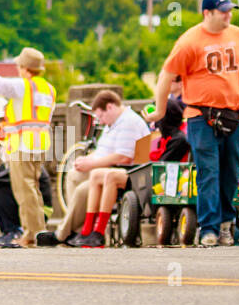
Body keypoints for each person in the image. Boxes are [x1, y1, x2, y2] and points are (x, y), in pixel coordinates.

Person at [155, 0, 239, 247]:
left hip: (233, 114)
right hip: (201, 115)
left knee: (232, 170)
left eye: (229, 10)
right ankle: (209, 227)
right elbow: (166, 76)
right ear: (207, 13)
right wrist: (159, 110)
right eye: (222, 11)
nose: (228, 15)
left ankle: (225, 223)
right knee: (208, 171)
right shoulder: (190, 41)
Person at [36, 90, 152, 247]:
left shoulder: (129, 122)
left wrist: (91, 164)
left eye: (101, 116)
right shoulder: (113, 123)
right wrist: (86, 160)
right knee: (73, 175)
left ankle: (64, 233)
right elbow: (103, 150)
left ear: (110, 107)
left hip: (128, 171)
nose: (101, 121)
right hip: (109, 168)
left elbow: (123, 157)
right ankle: (79, 229)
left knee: (82, 190)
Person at [0, 46, 56, 248]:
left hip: (22, 144)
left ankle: (30, 235)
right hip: (40, 144)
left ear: (24, 68)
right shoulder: (48, 88)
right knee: (33, 191)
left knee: (24, 192)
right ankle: (38, 232)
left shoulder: (23, 86)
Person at [0, 165, 54, 247]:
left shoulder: (24, 165)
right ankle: (8, 231)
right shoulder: (6, 165)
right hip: (28, 209)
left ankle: (16, 230)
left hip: (41, 211)